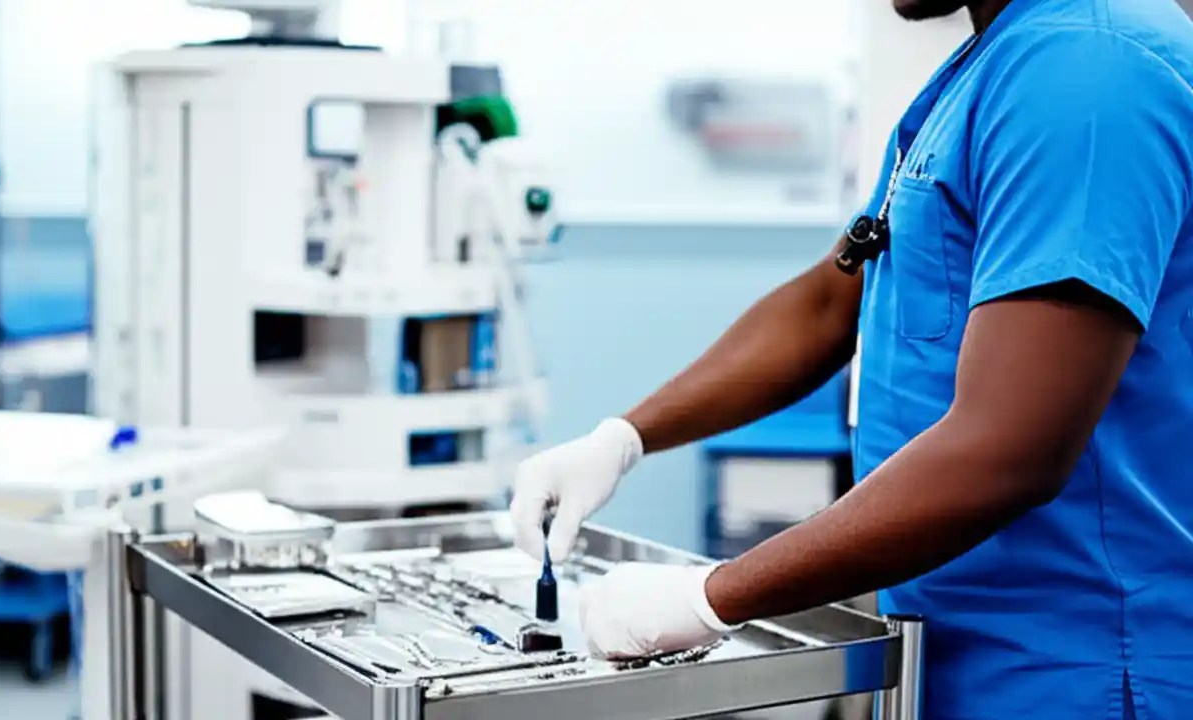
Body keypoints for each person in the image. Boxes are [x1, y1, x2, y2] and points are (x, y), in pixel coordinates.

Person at [508, 0, 1193, 717]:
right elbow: (833, 300)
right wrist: (623, 438)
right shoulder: (995, 65)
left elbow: (1011, 451)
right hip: (966, 651)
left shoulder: (1090, 70)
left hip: (1080, 673)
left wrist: (712, 598)